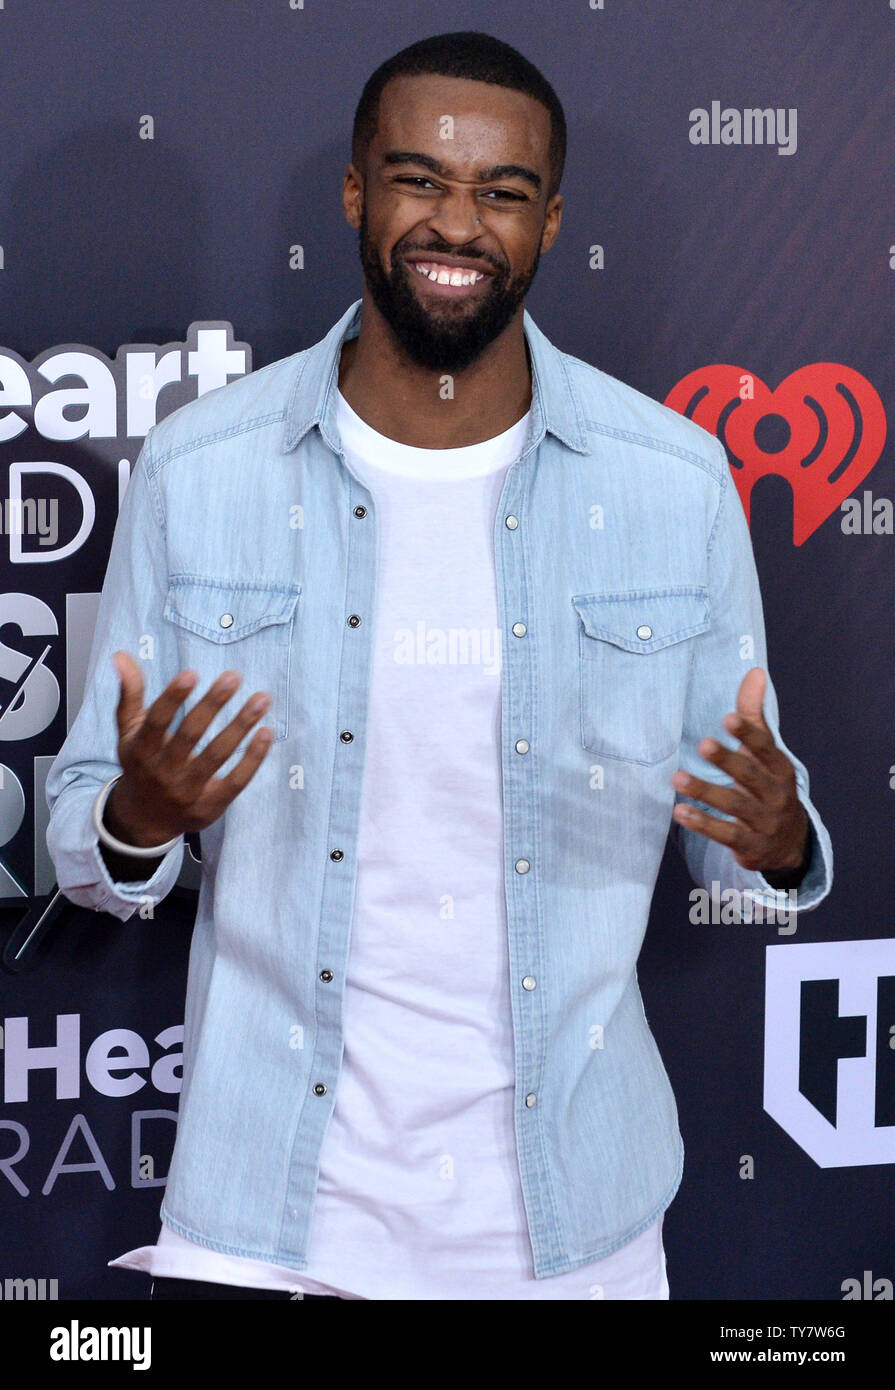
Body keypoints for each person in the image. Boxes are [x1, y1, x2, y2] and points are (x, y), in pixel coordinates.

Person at [45, 30, 832, 1301]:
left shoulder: (673, 481)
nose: (456, 224)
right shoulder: (201, 470)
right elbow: (83, 836)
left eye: (502, 192)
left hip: (577, 1233)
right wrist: (136, 821)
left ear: (550, 221)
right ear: (356, 192)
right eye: (418, 179)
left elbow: (741, 864)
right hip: (266, 1224)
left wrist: (777, 843)